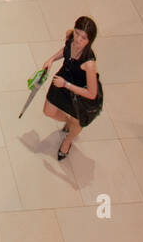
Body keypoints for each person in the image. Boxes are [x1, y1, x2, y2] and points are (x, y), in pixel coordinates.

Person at [42, 16, 103, 160]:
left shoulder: (89, 63)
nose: (78, 40)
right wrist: (51, 59)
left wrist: (66, 85)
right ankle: (68, 121)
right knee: (48, 111)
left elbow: (91, 93)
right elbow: (66, 49)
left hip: (79, 94)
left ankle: (67, 141)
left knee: (77, 121)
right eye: (77, 33)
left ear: (90, 41)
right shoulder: (71, 37)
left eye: (83, 38)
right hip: (62, 80)